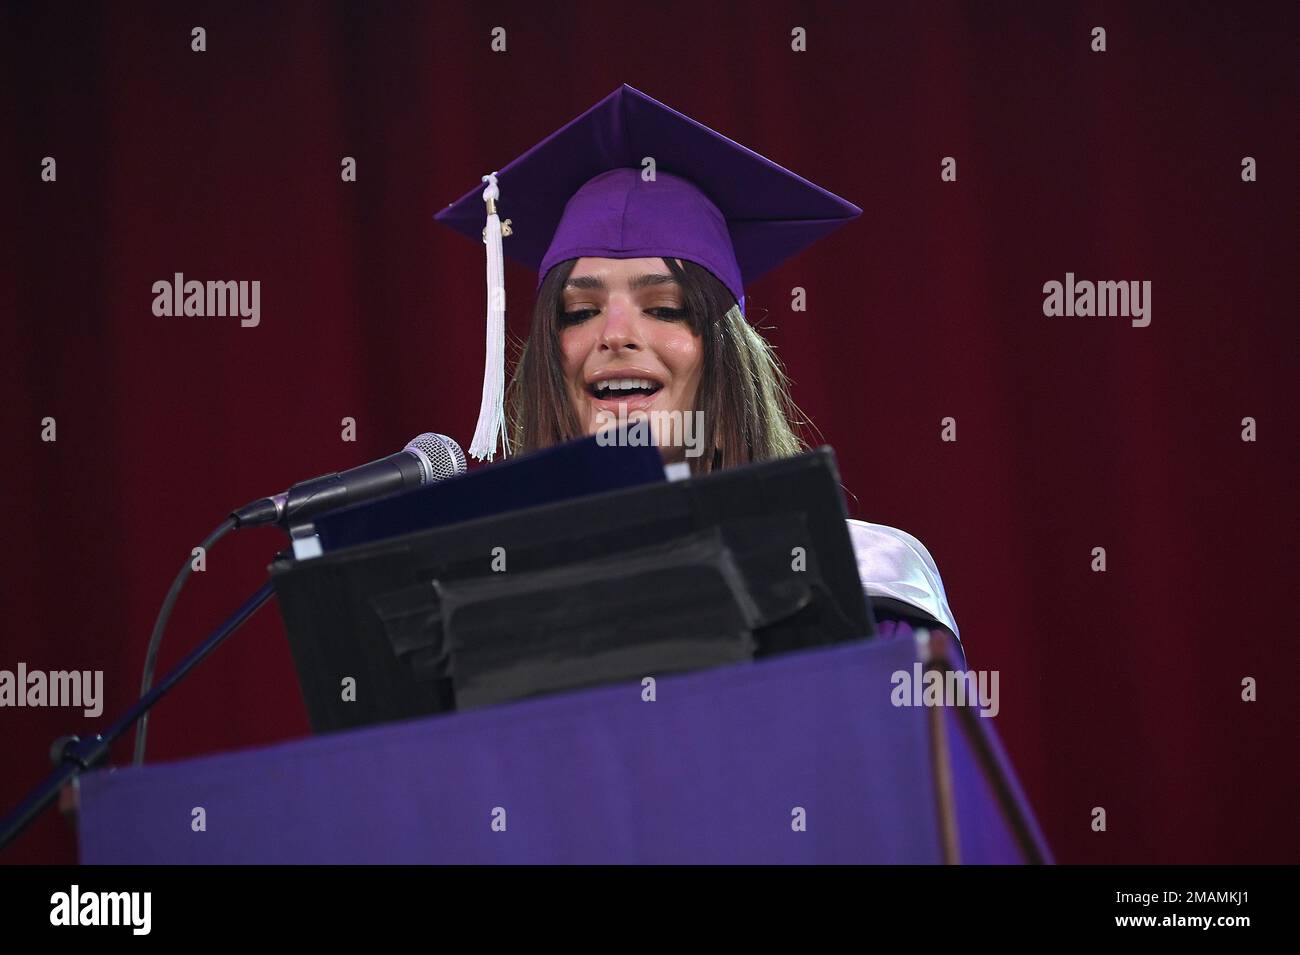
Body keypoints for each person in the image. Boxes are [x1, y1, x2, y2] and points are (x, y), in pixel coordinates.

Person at [435, 84, 959, 646]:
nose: (614, 335)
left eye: (663, 307)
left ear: (725, 361)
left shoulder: (865, 586)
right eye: (579, 312)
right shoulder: (487, 604)